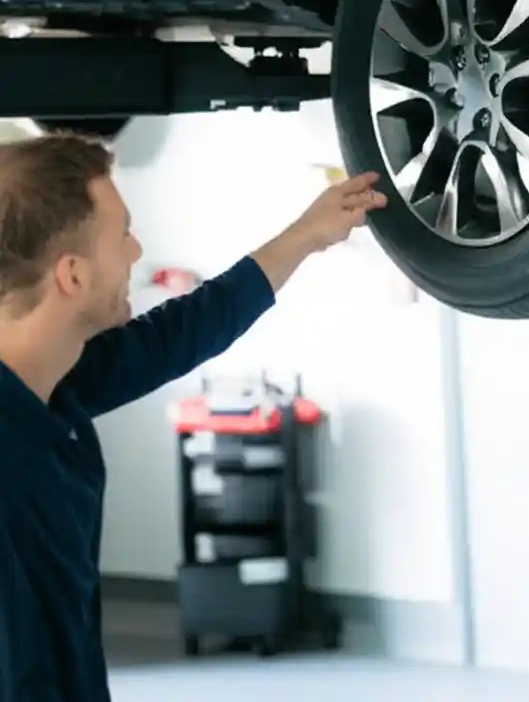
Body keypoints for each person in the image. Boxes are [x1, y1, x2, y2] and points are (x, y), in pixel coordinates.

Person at [0, 133, 387, 702]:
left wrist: (306, 236)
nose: (136, 251)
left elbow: (181, 333)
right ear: (73, 276)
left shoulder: (55, 384)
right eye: (123, 234)